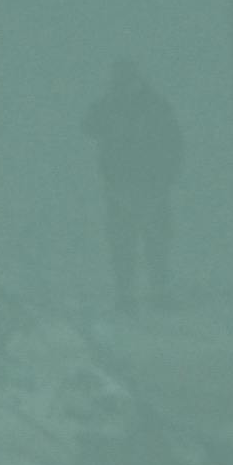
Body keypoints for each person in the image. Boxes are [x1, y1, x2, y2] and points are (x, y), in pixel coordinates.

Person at [86, 58, 184, 313]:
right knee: (122, 242)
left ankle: (159, 292)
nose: (122, 83)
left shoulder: (157, 107)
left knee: (157, 241)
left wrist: (166, 180)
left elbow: (174, 144)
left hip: (153, 185)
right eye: (118, 78)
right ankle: (125, 295)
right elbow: (88, 126)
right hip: (118, 186)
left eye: (126, 78)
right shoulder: (109, 106)